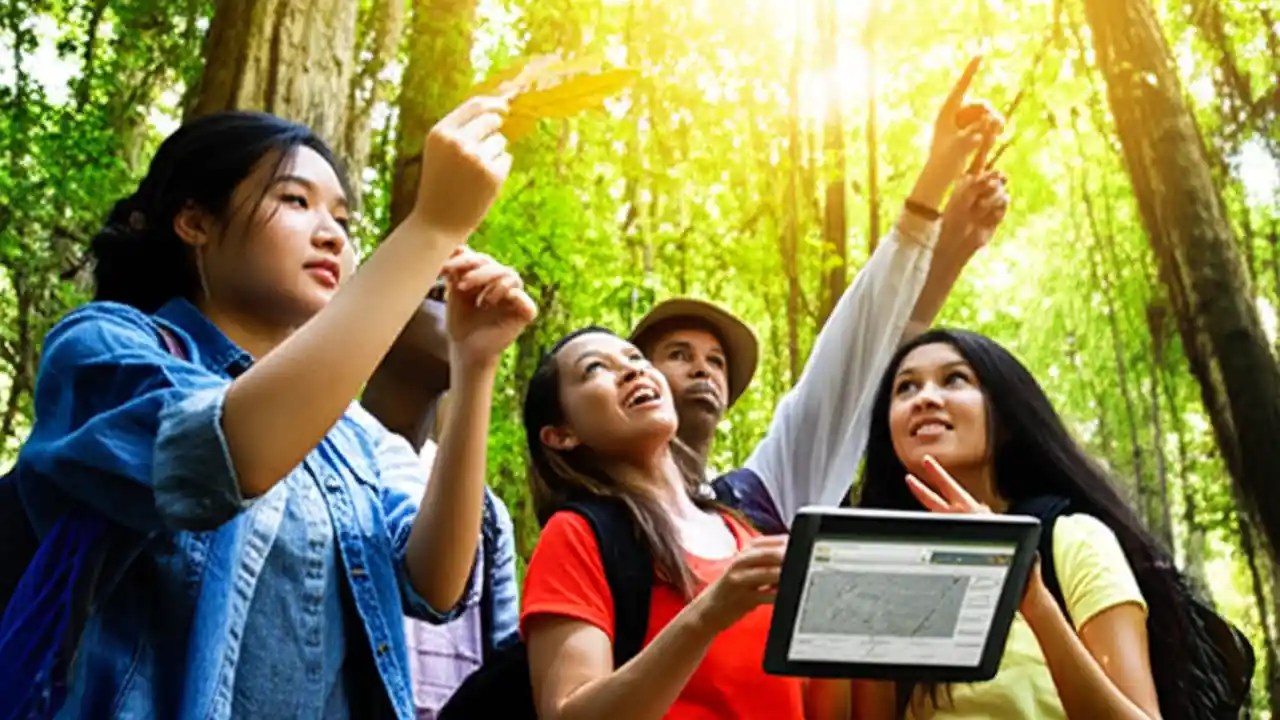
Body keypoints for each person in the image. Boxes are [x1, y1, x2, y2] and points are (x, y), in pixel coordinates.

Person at [3, 98, 534, 718]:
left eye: (341, 216)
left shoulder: (347, 433)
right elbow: (224, 455)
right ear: (194, 221)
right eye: (294, 200)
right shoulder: (104, 346)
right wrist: (431, 228)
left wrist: (474, 367)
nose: (333, 232)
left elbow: (435, 586)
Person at [518, 59, 1005, 720]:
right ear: (561, 433)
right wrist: (707, 614)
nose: (644, 371)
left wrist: (936, 216)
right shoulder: (585, 537)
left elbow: (853, 377)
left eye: (635, 358)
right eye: (601, 368)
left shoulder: (756, 515)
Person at [630, 63, 1010, 530]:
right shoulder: (601, 518)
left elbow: (856, 366)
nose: (702, 368)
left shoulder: (760, 495)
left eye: (717, 361)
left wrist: (945, 231)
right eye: (678, 353)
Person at [852, 328, 1172, 719]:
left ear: (1005, 420)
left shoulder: (1071, 540)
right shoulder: (886, 569)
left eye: (955, 379)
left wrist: (1032, 598)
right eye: (906, 388)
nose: (925, 399)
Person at [362, 295, 520, 719]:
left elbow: (503, 660)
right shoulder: (305, 454)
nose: (458, 305)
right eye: (436, 294)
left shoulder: (486, 512)